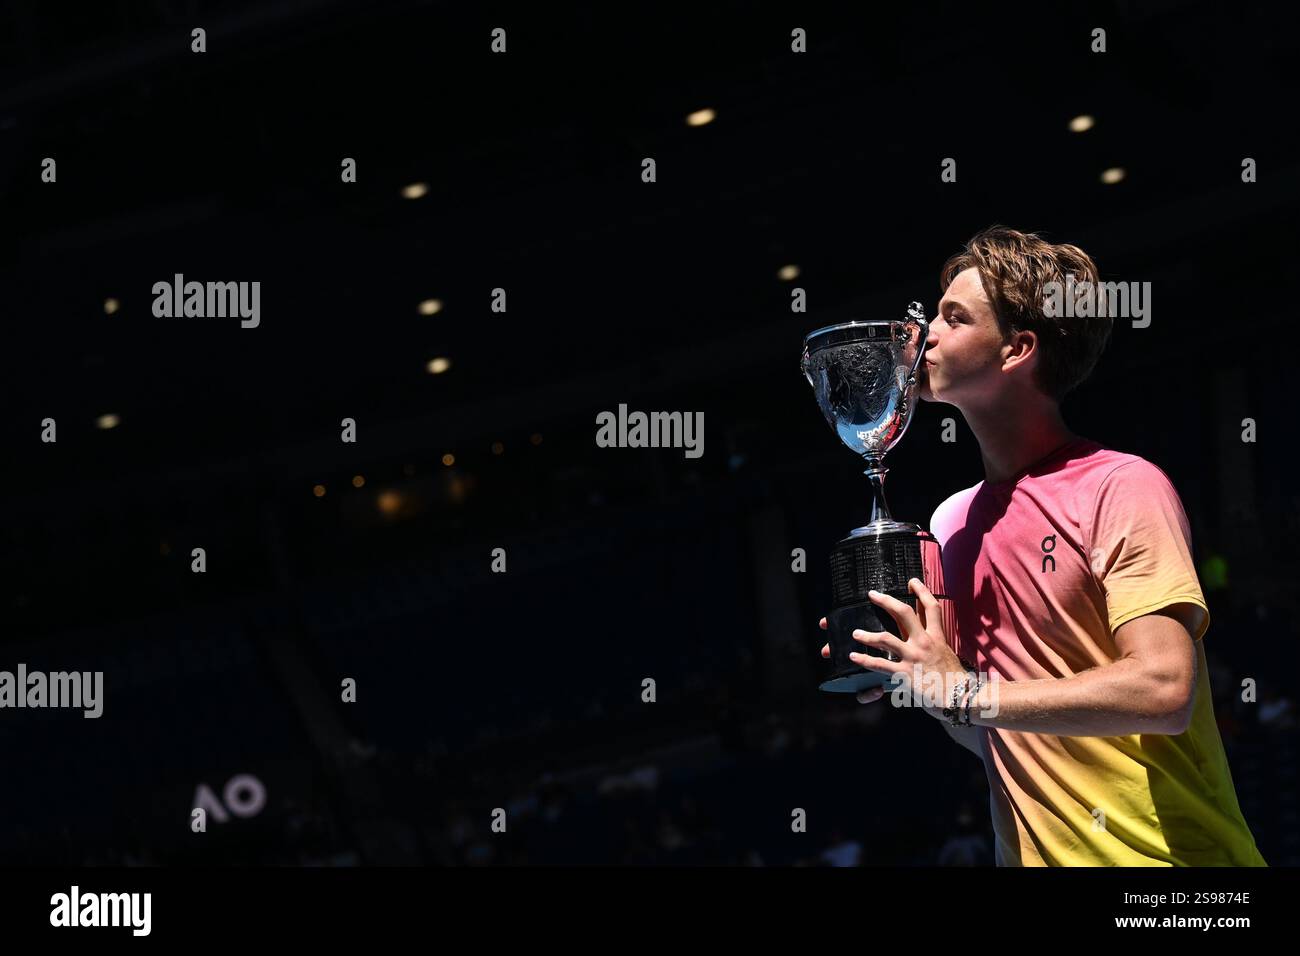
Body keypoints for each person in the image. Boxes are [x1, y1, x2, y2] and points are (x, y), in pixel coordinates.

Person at [821, 226, 1265, 866]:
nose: (925, 336)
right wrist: (911, 677)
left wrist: (966, 693)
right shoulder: (951, 524)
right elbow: (997, 735)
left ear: (1017, 349)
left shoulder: (1121, 486)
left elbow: (1166, 691)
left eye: (954, 317)